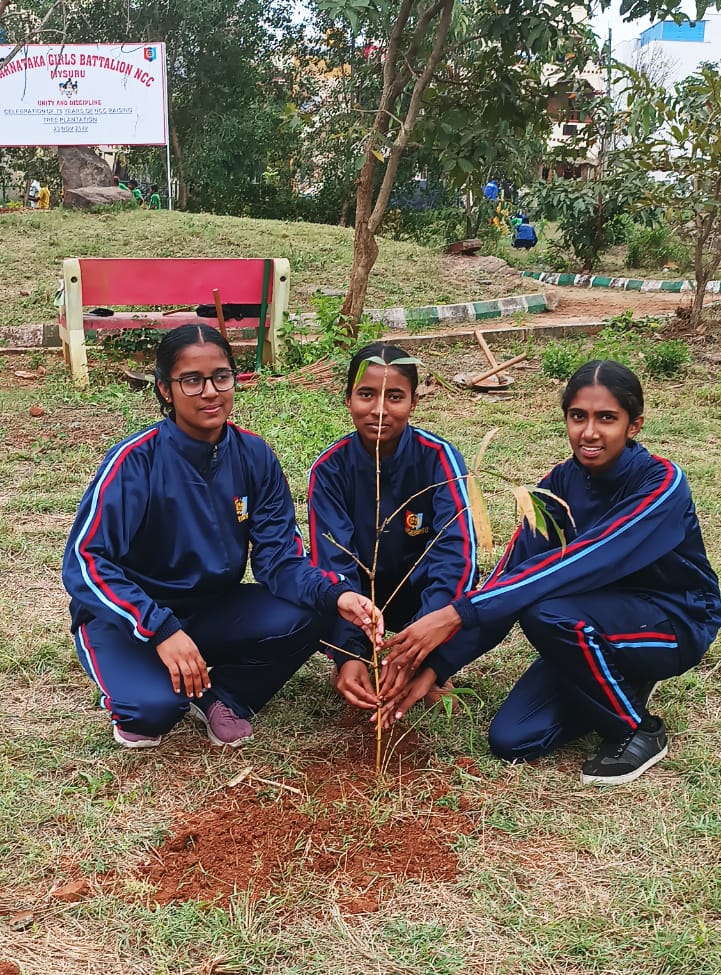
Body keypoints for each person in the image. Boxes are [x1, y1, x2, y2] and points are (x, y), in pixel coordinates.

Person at [380, 360, 721, 786]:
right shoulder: (555, 486)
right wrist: (435, 667)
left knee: (545, 610)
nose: (589, 432)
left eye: (607, 418)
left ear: (635, 426)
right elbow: (509, 578)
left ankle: (637, 729)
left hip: (673, 620)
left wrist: (455, 613)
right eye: (578, 416)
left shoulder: (662, 483)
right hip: (592, 620)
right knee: (512, 738)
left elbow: (584, 560)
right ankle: (623, 675)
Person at [62, 325, 380, 750]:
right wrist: (159, 630)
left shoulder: (254, 456)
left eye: (221, 376)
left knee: (317, 609)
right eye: (192, 380)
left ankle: (222, 695)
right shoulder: (135, 461)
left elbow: (279, 560)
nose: (210, 391)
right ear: (164, 388)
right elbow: (85, 560)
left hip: (210, 609)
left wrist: (337, 595)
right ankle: (155, 679)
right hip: (130, 618)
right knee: (150, 715)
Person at [307, 341, 479, 712]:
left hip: (419, 594)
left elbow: (457, 558)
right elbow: (333, 563)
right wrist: (349, 654)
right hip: (361, 601)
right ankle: (355, 657)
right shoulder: (329, 470)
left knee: (474, 589)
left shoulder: (439, 459)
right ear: (348, 399)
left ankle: (431, 666)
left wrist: (419, 649)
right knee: (316, 583)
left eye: (395, 396)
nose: (380, 410)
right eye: (366, 394)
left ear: (414, 403)